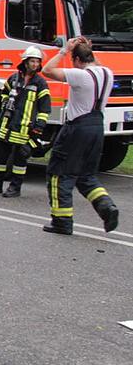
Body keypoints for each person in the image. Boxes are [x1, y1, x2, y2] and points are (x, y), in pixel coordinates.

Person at [40, 37, 119, 234]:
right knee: (86, 175)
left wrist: (64, 51)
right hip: (96, 127)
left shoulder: (79, 75)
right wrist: (87, 50)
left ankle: (62, 222)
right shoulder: (107, 73)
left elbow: (47, 70)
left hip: (77, 128)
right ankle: (106, 206)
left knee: (59, 174)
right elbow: (97, 64)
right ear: (91, 56)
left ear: (76, 60)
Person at [0, 46, 50, 198]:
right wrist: (5, 102)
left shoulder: (40, 83)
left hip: (24, 128)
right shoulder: (14, 78)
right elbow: (4, 92)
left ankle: (15, 187)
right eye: (32, 61)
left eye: (37, 62)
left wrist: (39, 127)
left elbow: (45, 108)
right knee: (0, 157)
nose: (35, 65)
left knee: (20, 160)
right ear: (25, 62)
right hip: (7, 125)